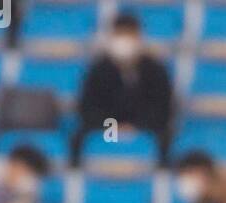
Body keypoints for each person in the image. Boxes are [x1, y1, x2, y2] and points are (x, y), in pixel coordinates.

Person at [72, 10, 174, 165]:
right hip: (105, 128)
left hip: (145, 128)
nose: (124, 41)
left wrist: (135, 127)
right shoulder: (98, 69)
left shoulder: (155, 70)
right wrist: (114, 127)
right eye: (120, 35)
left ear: (139, 36)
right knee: (78, 137)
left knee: (165, 139)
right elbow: (88, 107)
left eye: (129, 35)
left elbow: (162, 107)